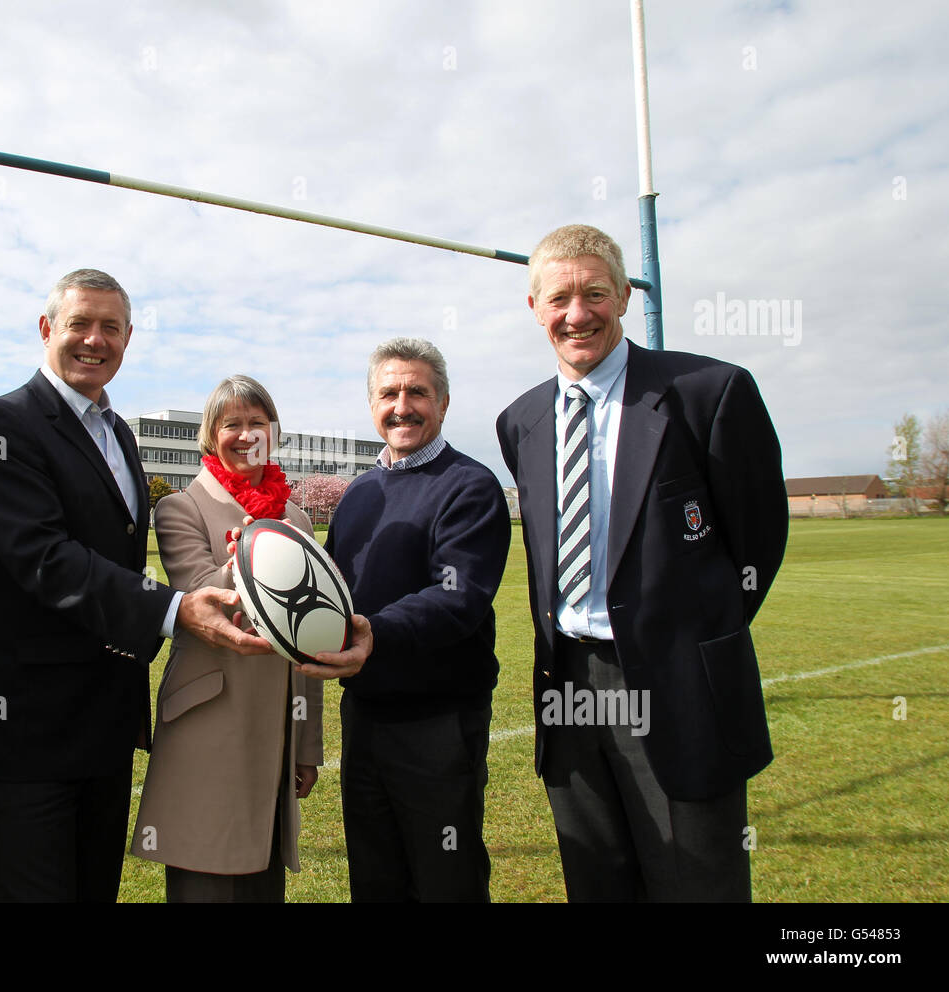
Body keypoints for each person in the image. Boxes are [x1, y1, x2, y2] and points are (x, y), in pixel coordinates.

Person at [0, 270, 295, 902]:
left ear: (128, 338)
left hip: (103, 720)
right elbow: (44, 557)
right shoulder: (3, 425)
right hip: (27, 724)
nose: (94, 340)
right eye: (79, 323)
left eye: (111, 327)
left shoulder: (117, 433)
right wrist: (173, 607)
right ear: (47, 329)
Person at [495, 223, 788, 902]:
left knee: (696, 883)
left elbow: (756, 546)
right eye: (559, 297)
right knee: (597, 880)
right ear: (534, 307)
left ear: (624, 296)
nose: (577, 314)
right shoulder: (521, 421)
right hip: (566, 684)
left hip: (678, 686)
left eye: (595, 293)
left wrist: (685, 637)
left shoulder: (709, 392)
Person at [325, 337, 511, 902]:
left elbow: (458, 597)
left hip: (438, 723)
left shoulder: (471, 486)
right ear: (372, 405)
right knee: (376, 877)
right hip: (365, 715)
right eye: (388, 392)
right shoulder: (358, 493)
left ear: (444, 403)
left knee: (443, 877)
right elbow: (331, 588)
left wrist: (373, 632)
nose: (401, 405)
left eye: (417, 392)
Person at [130, 375, 324, 902]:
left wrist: (308, 745)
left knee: (262, 879)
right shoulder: (179, 509)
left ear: (274, 432)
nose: (245, 434)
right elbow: (198, 600)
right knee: (205, 873)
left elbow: (311, 636)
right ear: (210, 436)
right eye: (230, 423)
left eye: (256, 423)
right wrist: (252, 554)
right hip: (209, 721)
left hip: (279, 720)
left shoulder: (298, 517)